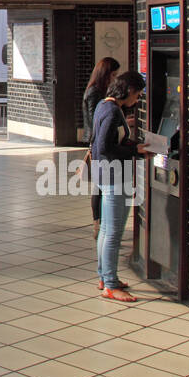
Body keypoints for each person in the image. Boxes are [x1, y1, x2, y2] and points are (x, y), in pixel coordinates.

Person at [91, 70, 150, 302]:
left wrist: (134, 146)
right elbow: (106, 146)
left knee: (106, 230)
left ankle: (104, 277)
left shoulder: (104, 106)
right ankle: (111, 284)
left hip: (107, 174)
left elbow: (107, 142)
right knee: (113, 232)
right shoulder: (113, 111)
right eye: (138, 94)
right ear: (129, 91)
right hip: (115, 175)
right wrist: (135, 150)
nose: (138, 100)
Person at [82, 56, 121, 240]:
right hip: (96, 143)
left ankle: (99, 222)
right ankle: (97, 222)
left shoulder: (100, 91)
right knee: (98, 185)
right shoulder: (94, 93)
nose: (115, 78)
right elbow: (93, 120)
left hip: (97, 141)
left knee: (100, 184)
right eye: (113, 74)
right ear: (106, 74)